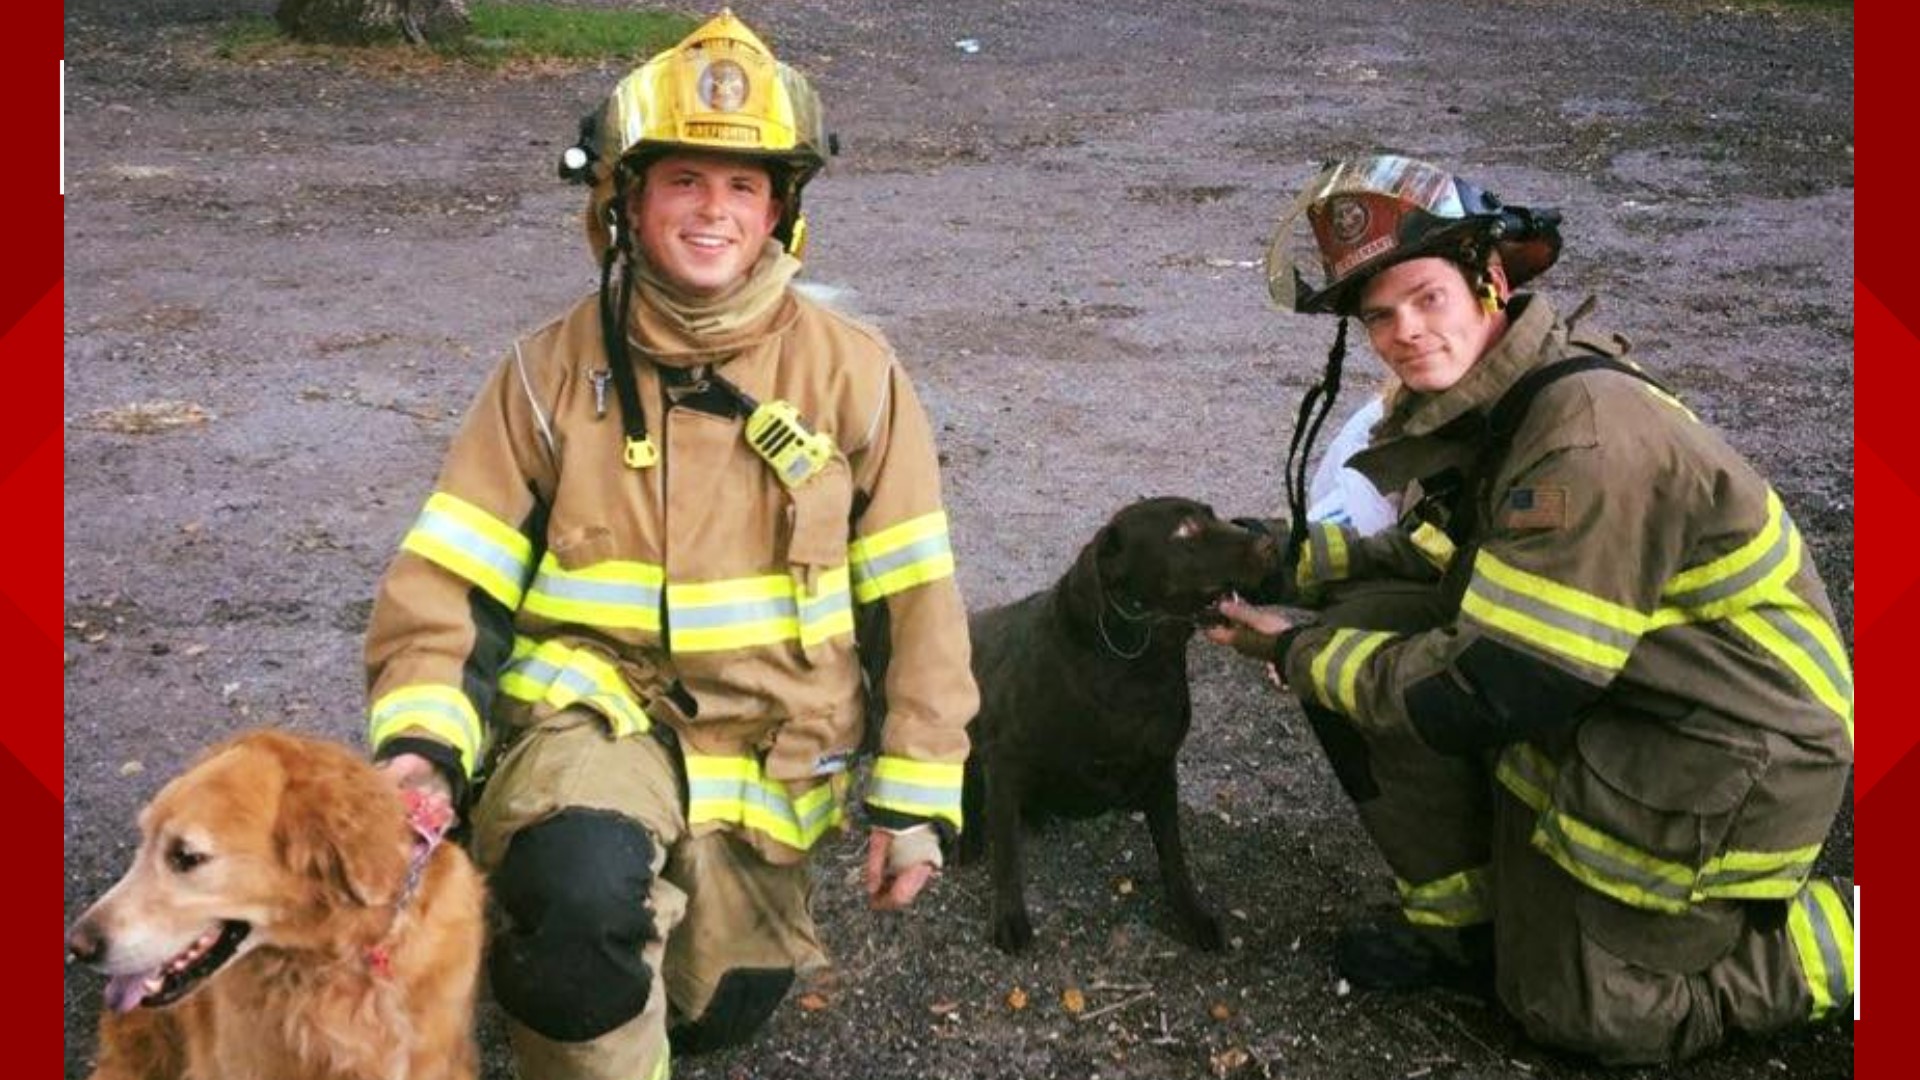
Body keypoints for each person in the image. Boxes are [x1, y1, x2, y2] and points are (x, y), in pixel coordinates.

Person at [364, 11, 978, 1079]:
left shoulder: (856, 376)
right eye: (684, 180)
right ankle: (559, 931)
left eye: (743, 187)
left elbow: (915, 601)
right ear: (625, 204)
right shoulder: (547, 376)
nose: (713, 211)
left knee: (718, 1013)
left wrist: (916, 801)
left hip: (764, 770)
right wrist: (422, 749)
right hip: (588, 725)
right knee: (577, 925)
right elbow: (447, 585)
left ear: (781, 213)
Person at [1209, 154, 1853, 1063]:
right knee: (1358, 620)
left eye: (1428, 299)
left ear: (1491, 281)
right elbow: (1446, 554)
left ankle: (1863, 936)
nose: (1405, 335)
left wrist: (1298, 651)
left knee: (1584, 1014)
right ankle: (1463, 929)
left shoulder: (1581, 438)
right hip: (1623, 690)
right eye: (1380, 316)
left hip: (1724, 745)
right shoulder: (1503, 396)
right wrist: (1289, 561)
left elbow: (1493, 688)